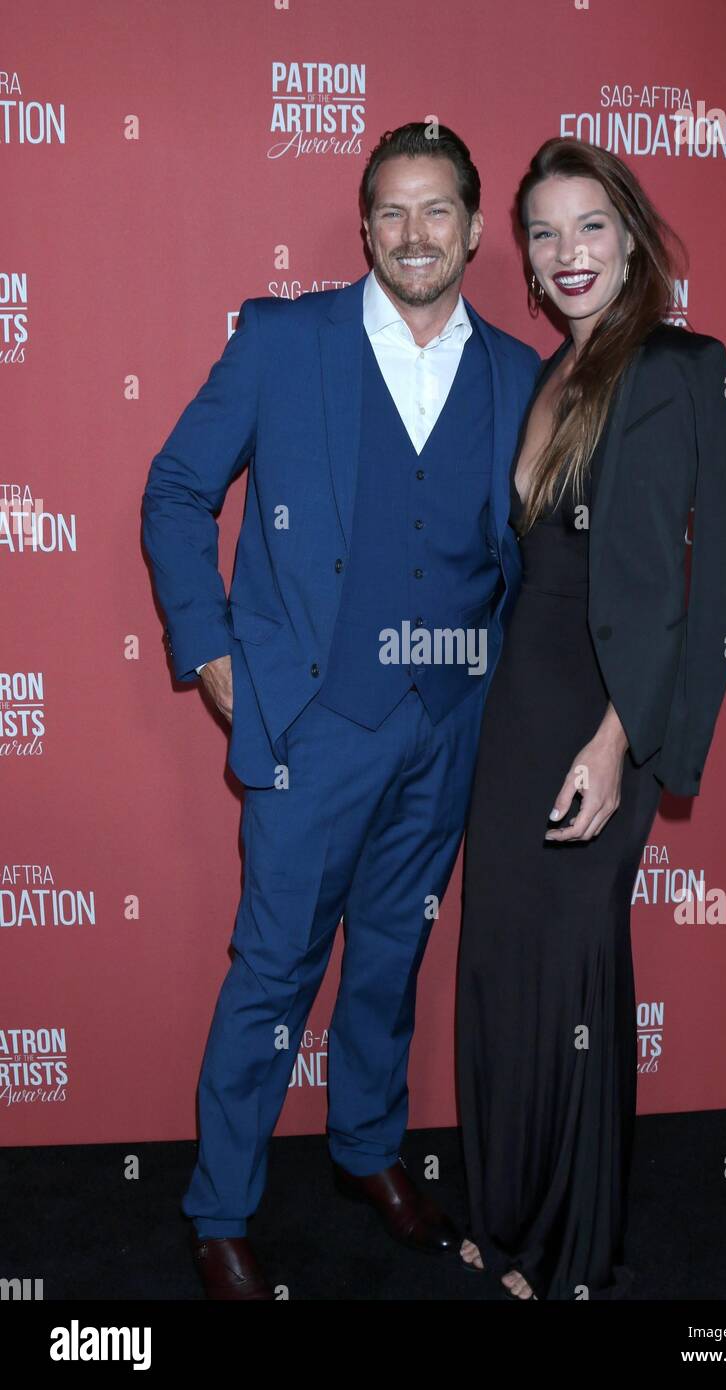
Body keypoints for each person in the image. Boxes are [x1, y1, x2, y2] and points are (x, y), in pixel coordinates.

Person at [141, 122, 541, 1299]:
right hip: (312, 724)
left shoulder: (521, 375)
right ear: (364, 224)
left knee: (393, 951)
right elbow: (174, 492)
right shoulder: (281, 341)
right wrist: (212, 655)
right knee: (274, 969)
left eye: (437, 212)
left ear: (474, 229)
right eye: (391, 212)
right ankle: (219, 1205)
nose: (413, 234)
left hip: (447, 718)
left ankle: (367, 1147)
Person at [456, 137, 726, 1301]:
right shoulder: (545, 374)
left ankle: (574, 1249)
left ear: (629, 236)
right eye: (543, 232)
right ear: (522, 258)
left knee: (573, 969)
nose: (566, 253)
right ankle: (505, 1208)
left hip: (600, 714)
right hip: (517, 698)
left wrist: (622, 738)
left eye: (589, 226)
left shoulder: (681, 365)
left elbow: (714, 573)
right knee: (499, 963)